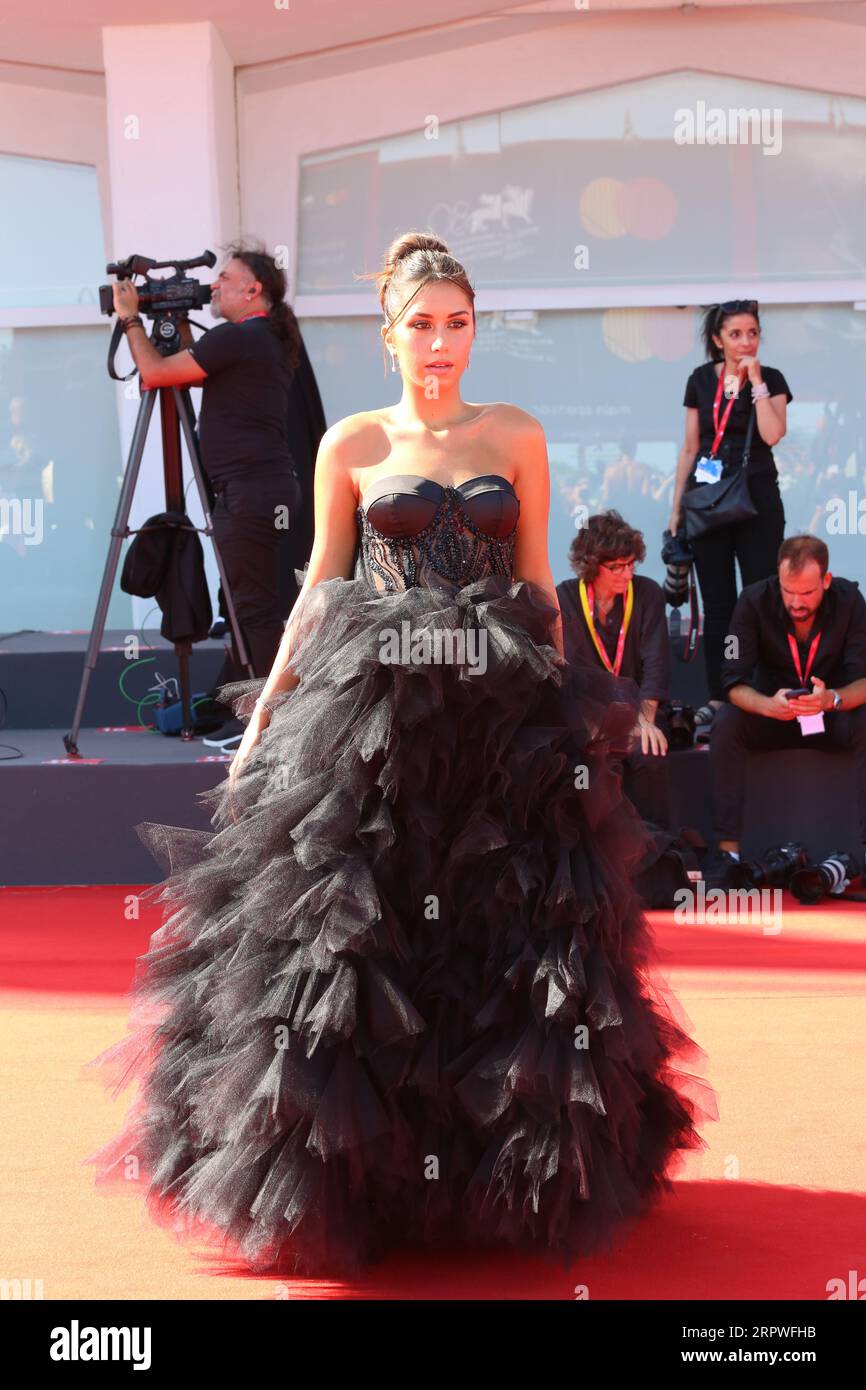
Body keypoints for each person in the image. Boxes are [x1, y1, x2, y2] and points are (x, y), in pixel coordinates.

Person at [85, 232, 714, 1278]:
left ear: (474, 329)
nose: (440, 343)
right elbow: (319, 587)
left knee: (514, 938)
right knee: (356, 945)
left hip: (502, 720)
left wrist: (573, 728)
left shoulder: (515, 433)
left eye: (457, 323)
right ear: (389, 335)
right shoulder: (351, 444)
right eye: (421, 325)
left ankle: (490, 1180)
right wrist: (261, 723)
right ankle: (368, 1183)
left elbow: (538, 592)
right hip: (372, 718)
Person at [113, 240, 304, 751]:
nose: (215, 286)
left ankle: (271, 730)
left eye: (226, 278)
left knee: (253, 608)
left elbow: (155, 374)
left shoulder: (240, 337)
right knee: (249, 604)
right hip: (268, 491)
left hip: (250, 493)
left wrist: (131, 319)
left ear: (252, 289)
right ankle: (251, 712)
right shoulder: (264, 338)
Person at [667, 301, 793, 735]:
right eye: (736, 334)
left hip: (757, 498)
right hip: (707, 500)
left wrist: (755, 381)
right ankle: (720, 696)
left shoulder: (771, 378)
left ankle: (763, 688)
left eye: (752, 333)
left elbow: (772, 433)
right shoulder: (700, 380)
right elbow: (690, 447)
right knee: (718, 605)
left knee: (760, 597)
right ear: (718, 340)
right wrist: (677, 508)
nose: (745, 341)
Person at [710, 534, 866, 876]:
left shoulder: (850, 600)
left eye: (807, 593)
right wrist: (768, 705)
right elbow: (731, 680)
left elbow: (863, 681)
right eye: (788, 590)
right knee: (726, 722)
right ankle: (728, 855)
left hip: (828, 716)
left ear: (826, 580)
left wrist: (832, 699)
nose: (796, 601)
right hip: (774, 715)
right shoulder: (751, 601)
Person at [557, 510, 672, 829]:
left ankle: (657, 850)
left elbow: (656, 666)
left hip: (639, 711)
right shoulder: (564, 597)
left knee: (650, 752)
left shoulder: (648, 593)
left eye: (631, 565)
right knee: (592, 762)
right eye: (617, 567)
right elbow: (568, 675)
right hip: (588, 715)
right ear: (592, 565)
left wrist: (645, 721)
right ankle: (598, 858)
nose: (626, 574)